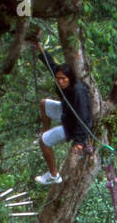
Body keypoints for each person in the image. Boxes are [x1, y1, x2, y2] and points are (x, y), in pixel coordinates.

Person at [31, 40, 94, 185]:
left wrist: (78, 142)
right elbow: (51, 65)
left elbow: (83, 118)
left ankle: (53, 175)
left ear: (70, 79)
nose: (60, 82)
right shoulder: (63, 79)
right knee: (44, 103)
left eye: (63, 79)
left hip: (73, 126)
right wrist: (40, 48)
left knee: (43, 142)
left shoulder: (78, 92)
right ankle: (44, 133)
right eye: (58, 78)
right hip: (67, 112)